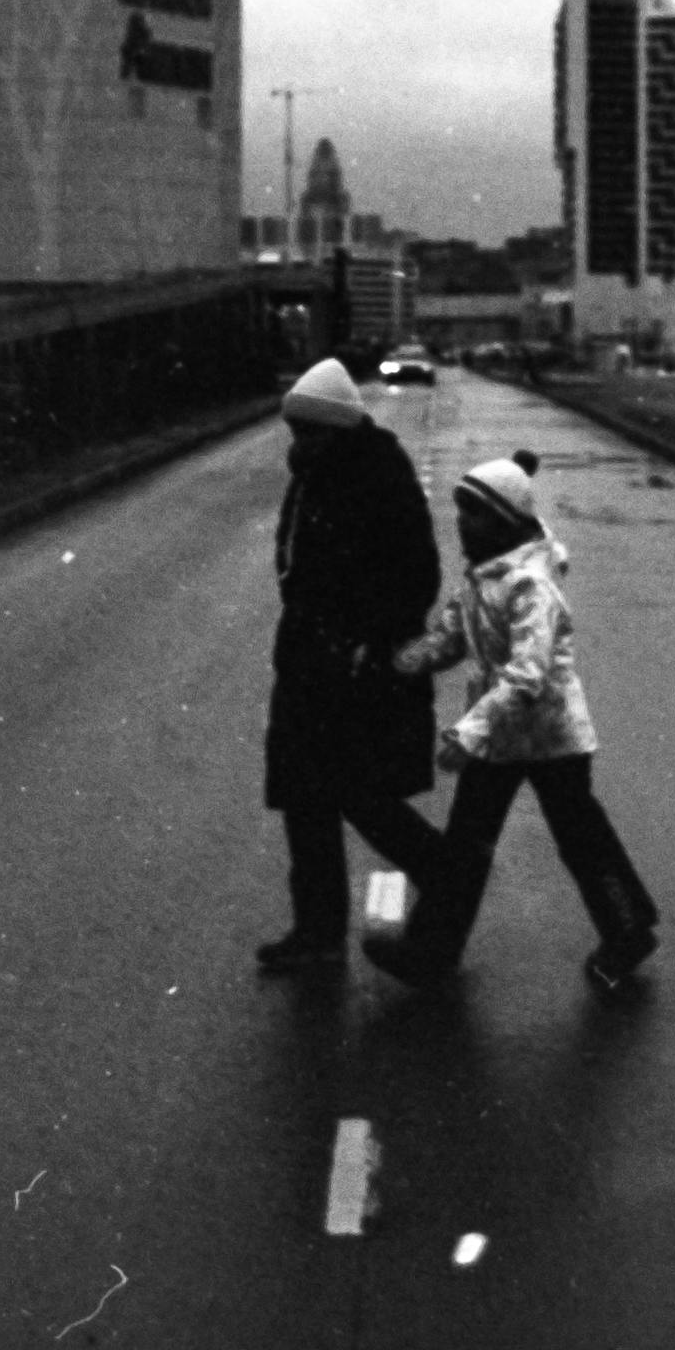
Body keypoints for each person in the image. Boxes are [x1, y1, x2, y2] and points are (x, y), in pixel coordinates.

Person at [368, 450, 660, 994]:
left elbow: (528, 675)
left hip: (550, 738)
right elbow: (452, 637)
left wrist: (467, 732)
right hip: (502, 737)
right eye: (460, 512)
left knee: (581, 840)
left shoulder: (531, 585)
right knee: (466, 845)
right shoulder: (482, 579)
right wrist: (409, 657)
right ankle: (432, 949)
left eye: (474, 513)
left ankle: (629, 931)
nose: (462, 523)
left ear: (505, 521)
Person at [256, 355, 457, 975]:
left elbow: (416, 573)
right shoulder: (320, 470)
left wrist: (368, 639)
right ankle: (318, 932)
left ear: (332, 428)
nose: (298, 441)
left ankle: (441, 874)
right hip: (310, 661)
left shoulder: (375, 473)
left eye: (307, 430)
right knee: (306, 797)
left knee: (354, 794)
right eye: (295, 430)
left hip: (353, 666)